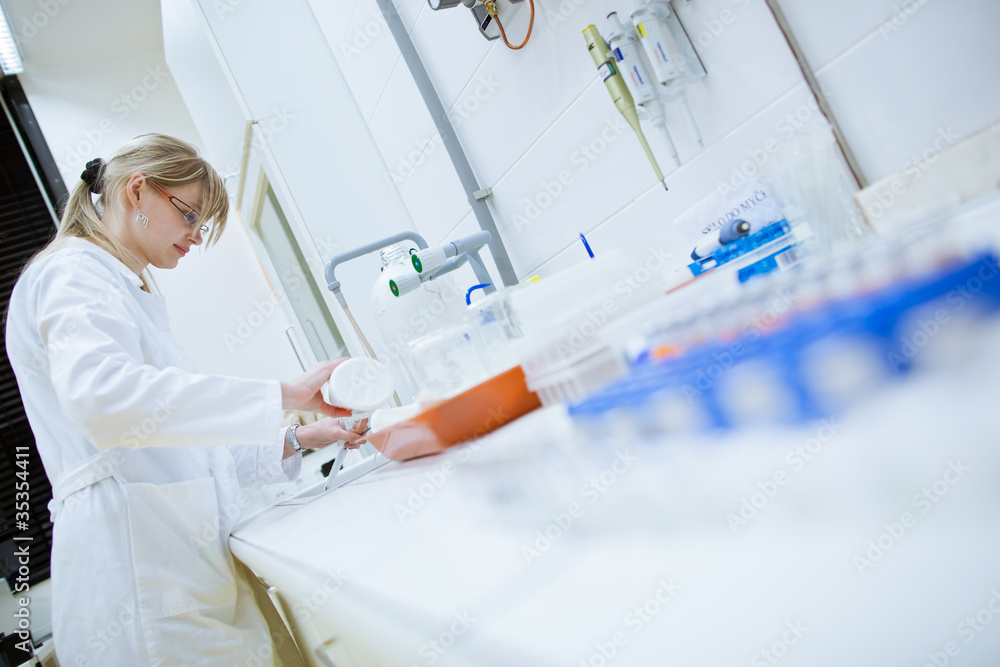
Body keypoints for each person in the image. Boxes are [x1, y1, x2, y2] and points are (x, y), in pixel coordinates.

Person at [4, 134, 366, 666]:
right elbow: (105, 402)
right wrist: (285, 394)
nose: (195, 236)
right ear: (137, 192)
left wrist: (295, 437)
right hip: (141, 590)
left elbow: (179, 448)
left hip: (176, 577)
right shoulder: (73, 273)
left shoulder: (127, 288)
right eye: (189, 215)